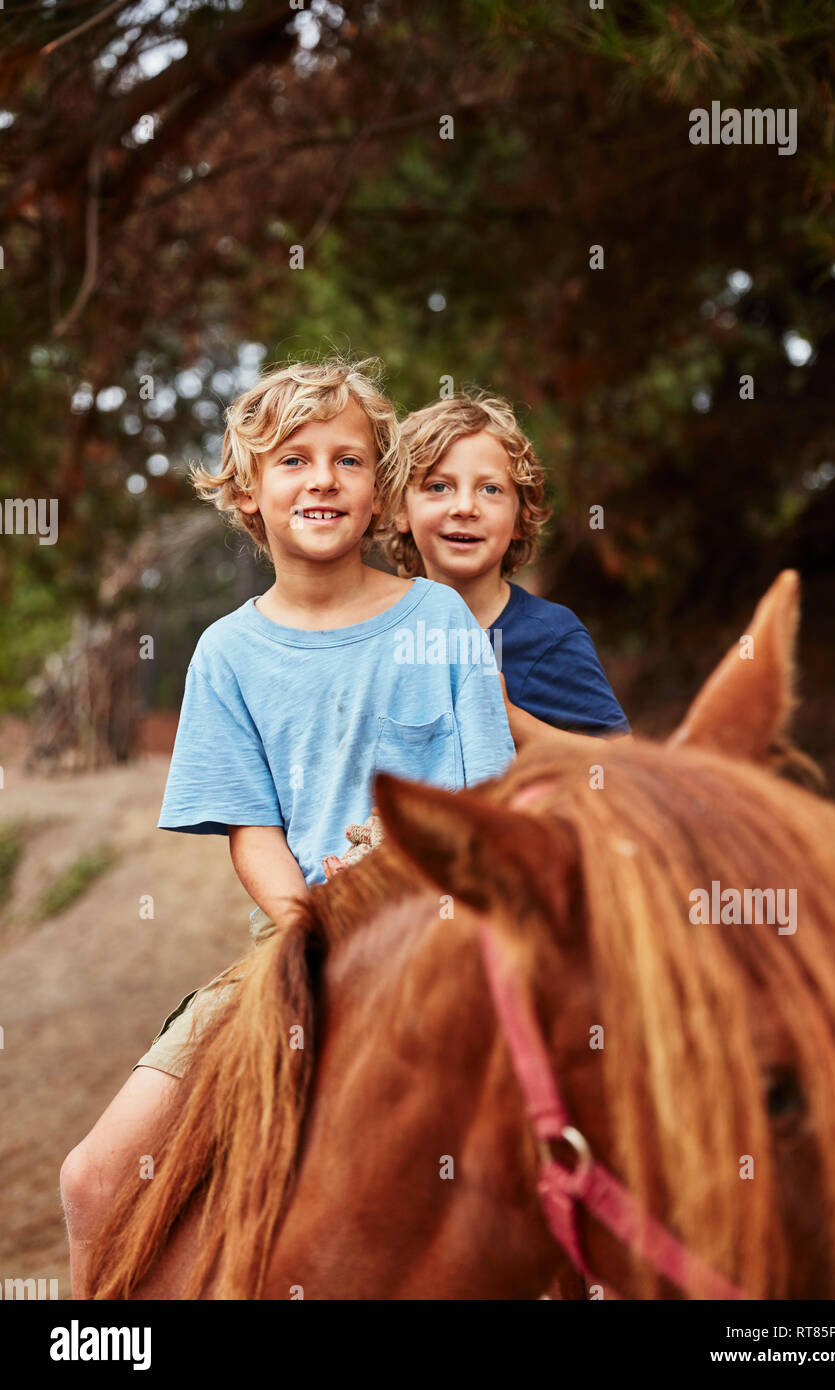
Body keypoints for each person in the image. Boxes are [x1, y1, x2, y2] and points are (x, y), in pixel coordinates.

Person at [59, 358, 515, 1296]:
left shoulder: (437, 623)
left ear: (378, 490)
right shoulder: (225, 654)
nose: (322, 479)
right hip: (289, 955)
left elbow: (488, 800)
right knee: (94, 1181)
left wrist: (410, 864)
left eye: (348, 461)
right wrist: (311, 914)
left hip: (441, 937)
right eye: (293, 461)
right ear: (245, 491)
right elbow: (252, 831)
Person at [382, 391, 630, 749]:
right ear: (399, 510)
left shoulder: (550, 636)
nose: (465, 507)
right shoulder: (373, 631)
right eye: (439, 486)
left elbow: (622, 763)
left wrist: (509, 717)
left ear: (520, 518)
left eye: (490, 489)